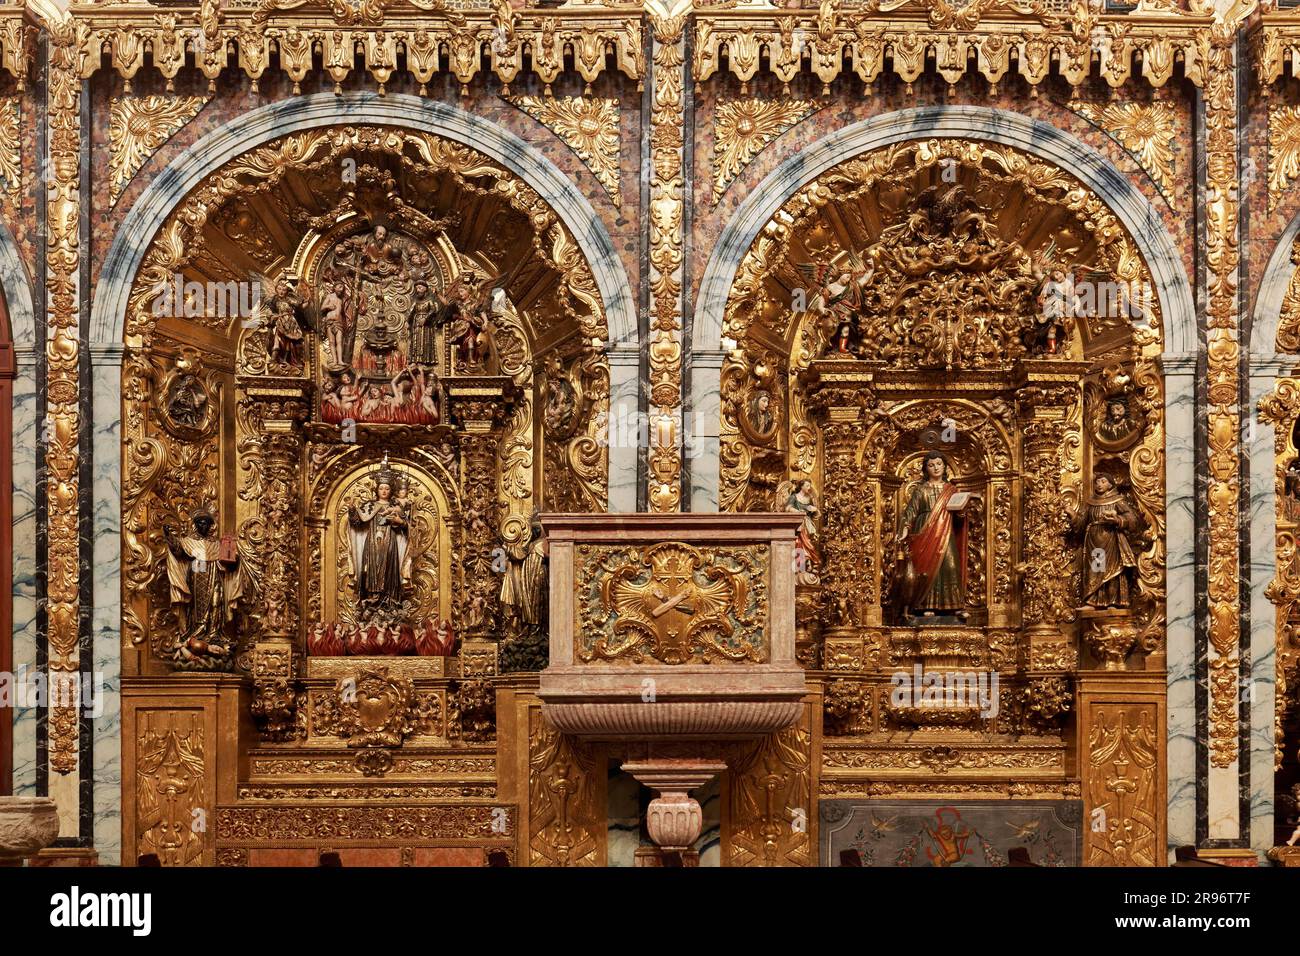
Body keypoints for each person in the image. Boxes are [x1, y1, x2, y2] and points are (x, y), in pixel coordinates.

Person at [896, 451, 974, 619]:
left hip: (946, 532)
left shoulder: (951, 490)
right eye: (931, 465)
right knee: (925, 569)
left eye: (939, 464)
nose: (936, 468)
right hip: (925, 531)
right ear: (926, 469)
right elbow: (910, 512)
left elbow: (959, 515)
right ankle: (925, 605)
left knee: (950, 567)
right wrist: (904, 529)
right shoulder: (920, 490)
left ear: (944, 466)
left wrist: (961, 511)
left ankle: (954, 605)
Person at [164, 504, 241, 668]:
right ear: (195, 525)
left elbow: (229, 565)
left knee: (216, 604)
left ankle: (213, 634)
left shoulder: (218, 544)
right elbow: (179, 551)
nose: (203, 526)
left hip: (214, 578)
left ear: (211, 526)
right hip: (195, 577)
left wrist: (234, 558)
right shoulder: (188, 542)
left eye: (206, 523)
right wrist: (169, 536)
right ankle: (196, 634)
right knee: (195, 608)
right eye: (200, 523)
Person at [347, 464, 410, 608]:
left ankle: (389, 599)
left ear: (391, 490)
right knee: (371, 567)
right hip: (372, 543)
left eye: (387, 488)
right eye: (381, 488)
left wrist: (399, 521)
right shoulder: (369, 505)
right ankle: (371, 598)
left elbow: (408, 528)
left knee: (388, 567)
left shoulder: (396, 507)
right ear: (376, 489)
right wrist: (351, 510)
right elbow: (356, 522)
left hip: (390, 542)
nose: (384, 491)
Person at [1077, 473, 1141, 608]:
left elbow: (1133, 520)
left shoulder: (1117, 501)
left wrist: (1117, 520)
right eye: (1097, 482)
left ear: (1110, 484)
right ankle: (1093, 601)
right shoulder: (1091, 502)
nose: (1099, 484)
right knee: (1097, 570)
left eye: (1103, 481)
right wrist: (1072, 515)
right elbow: (1080, 524)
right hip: (1095, 542)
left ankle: (1114, 601)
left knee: (1112, 572)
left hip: (1111, 540)